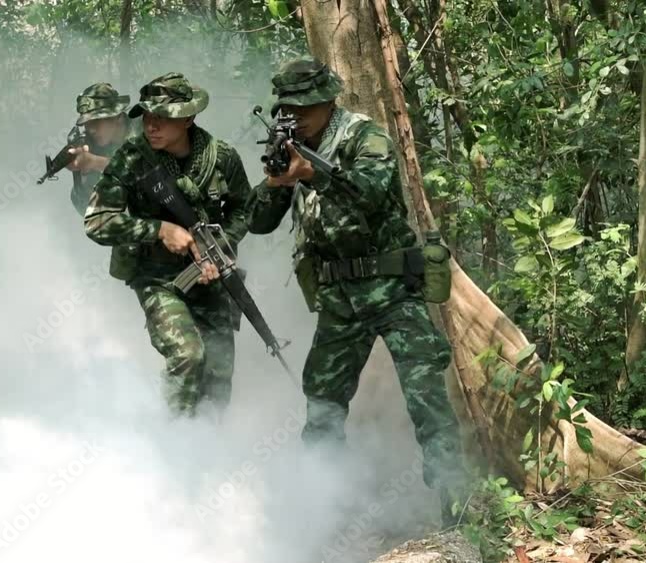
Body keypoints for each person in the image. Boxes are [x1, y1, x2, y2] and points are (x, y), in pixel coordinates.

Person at [248, 57, 463, 522]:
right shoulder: (293, 146)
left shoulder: (365, 135)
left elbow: (371, 189)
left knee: (426, 394)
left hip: (393, 290)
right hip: (340, 300)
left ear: (328, 102)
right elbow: (258, 222)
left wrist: (311, 173)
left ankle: (455, 504)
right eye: (289, 109)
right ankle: (321, 509)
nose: (297, 117)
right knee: (322, 403)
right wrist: (274, 181)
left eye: (305, 108)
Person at [84, 72, 252, 416]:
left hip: (211, 278)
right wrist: (158, 229)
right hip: (156, 278)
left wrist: (217, 249)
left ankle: (210, 451)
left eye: (163, 118)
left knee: (219, 373)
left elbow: (244, 210)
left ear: (188, 118)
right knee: (188, 356)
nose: (152, 125)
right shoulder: (131, 160)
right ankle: (174, 447)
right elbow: (96, 222)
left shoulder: (221, 157)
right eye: (147, 116)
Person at [65, 83, 142, 214]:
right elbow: (87, 212)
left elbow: (146, 173)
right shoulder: (93, 146)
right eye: (87, 123)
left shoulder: (146, 129)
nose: (91, 129)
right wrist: (81, 179)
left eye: (97, 121)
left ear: (117, 116)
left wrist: (95, 162)